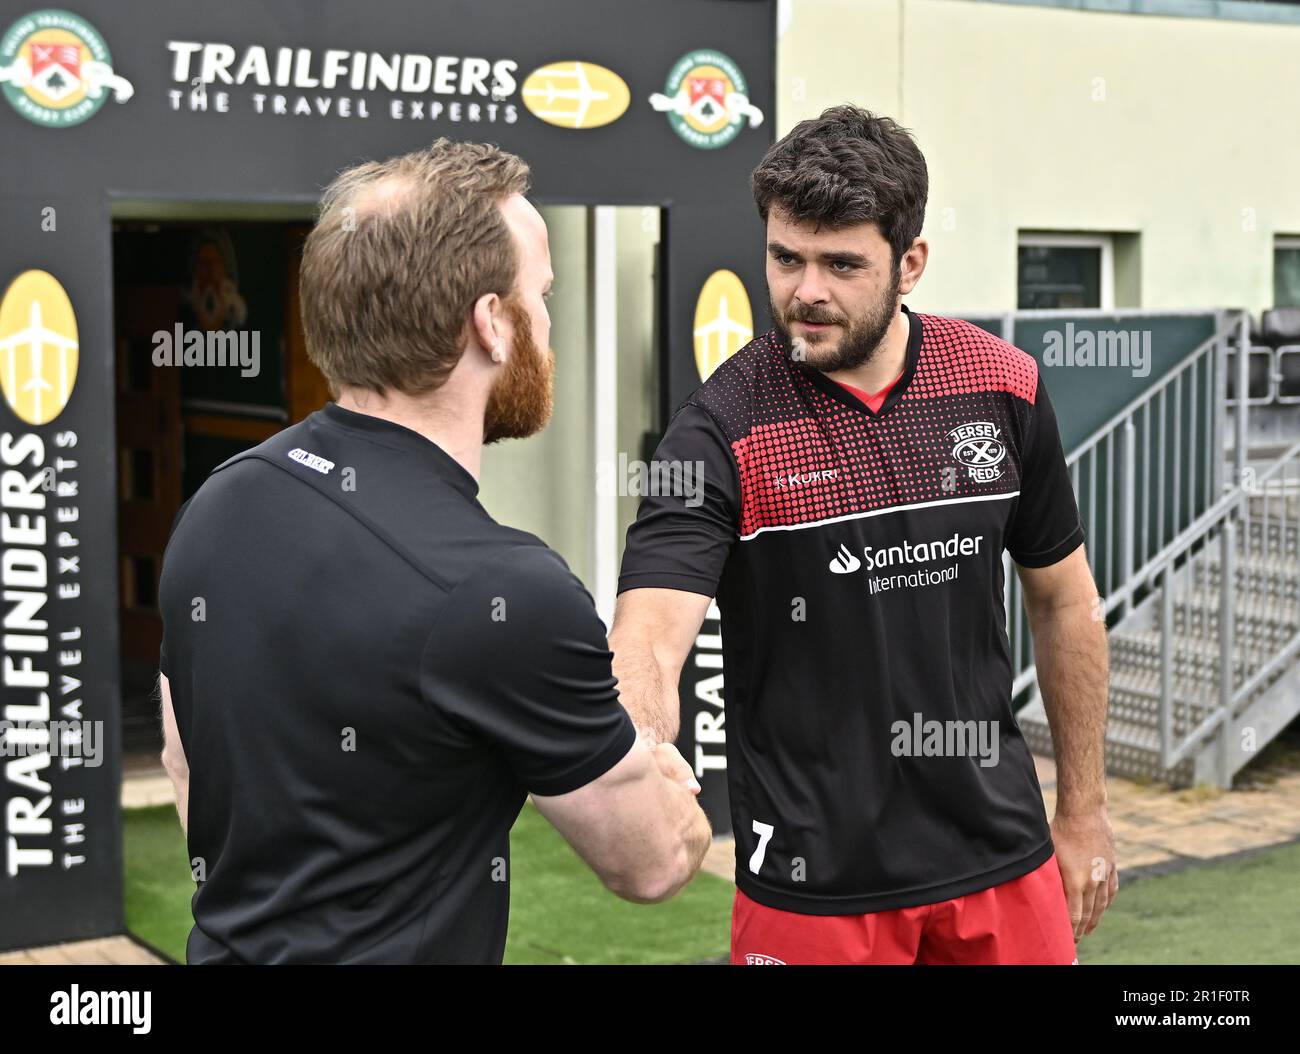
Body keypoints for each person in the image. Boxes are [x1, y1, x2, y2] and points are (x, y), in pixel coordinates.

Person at [157, 139, 711, 965]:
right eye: (543, 296)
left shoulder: (218, 502)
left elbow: (184, 763)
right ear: (492, 323)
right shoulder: (503, 589)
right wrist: (667, 779)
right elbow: (655, 861)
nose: (549, 326)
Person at [610, 105, 1116, 965]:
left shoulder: (1002, 388)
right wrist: (644, 747)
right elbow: (650, 636)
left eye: (842, 264)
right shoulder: (716, 431)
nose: (807, 291)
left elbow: (1065, 603)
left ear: (910, 262)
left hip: (998, 854)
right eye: (785, 257)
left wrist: (1083, 807)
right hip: (813, 882)